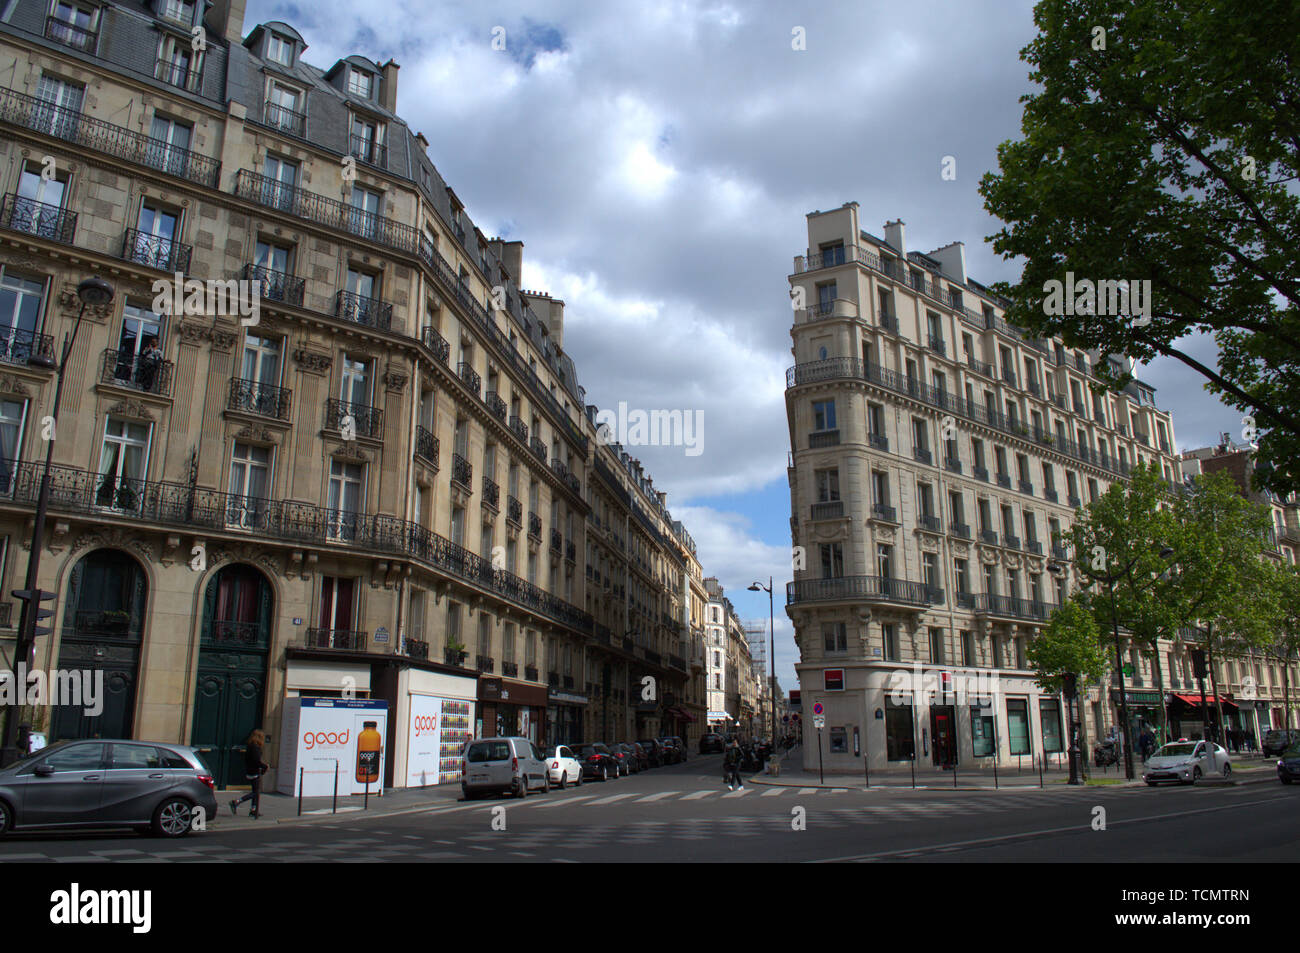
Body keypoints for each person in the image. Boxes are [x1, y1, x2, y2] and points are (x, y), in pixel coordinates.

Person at [230, 728, 269, 818]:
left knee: (255, 791)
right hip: (253, 771)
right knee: (256, 792)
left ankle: (253, 810)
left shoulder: (251, 746)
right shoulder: (254, 748)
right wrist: (265, 766)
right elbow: (256, 761)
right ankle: (237, 801)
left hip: (251, 770)